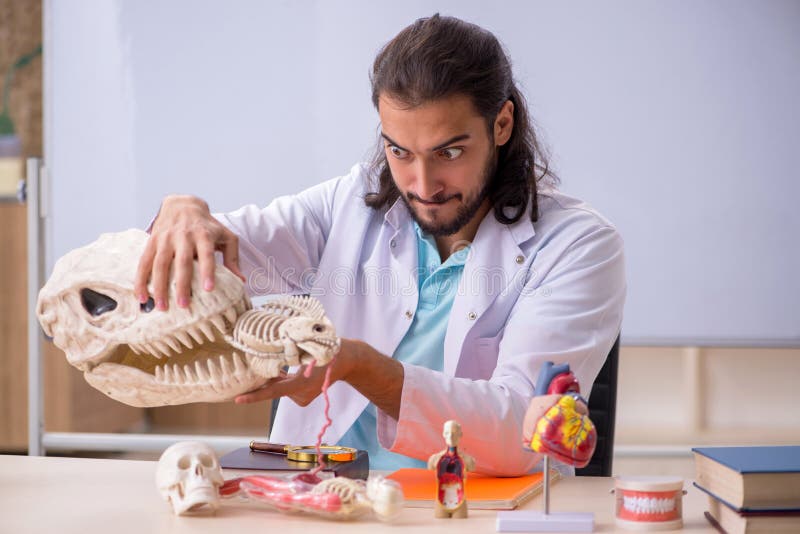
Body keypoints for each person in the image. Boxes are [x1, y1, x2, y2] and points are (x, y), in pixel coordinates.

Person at [135, 14, 625, 476]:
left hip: (465, 506)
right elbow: (229, 247)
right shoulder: (352, 202)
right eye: (399, 152)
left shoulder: (578, 246)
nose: (423, 184)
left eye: (449, 152)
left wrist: (363, 368)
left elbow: (524, 429)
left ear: (501, 124)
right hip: (322, 498)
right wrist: (185, 212)